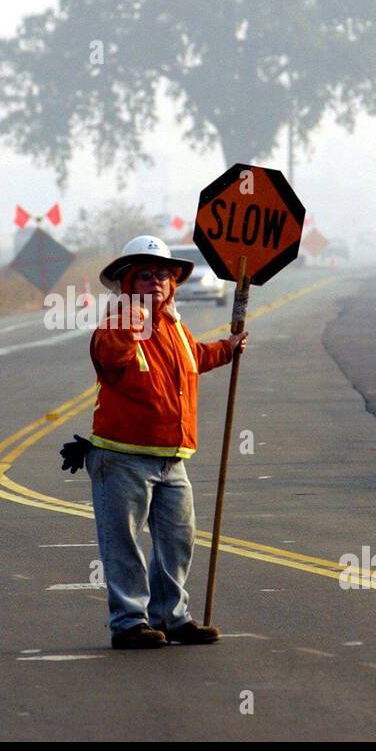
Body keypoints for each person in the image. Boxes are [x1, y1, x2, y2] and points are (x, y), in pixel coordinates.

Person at [70, 235, 246, 650]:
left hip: (171, 458)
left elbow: (193, 359)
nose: (156, 282)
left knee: (178, 540)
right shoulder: (119, 321)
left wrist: (228, 348)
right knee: (124, 545)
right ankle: (129, 623)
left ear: (174, 284)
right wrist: (135, 314)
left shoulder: (175, 327)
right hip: (122, 457)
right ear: (128, 284)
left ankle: (171, 617)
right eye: (144, 276)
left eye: (163, 275)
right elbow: (109, 357)